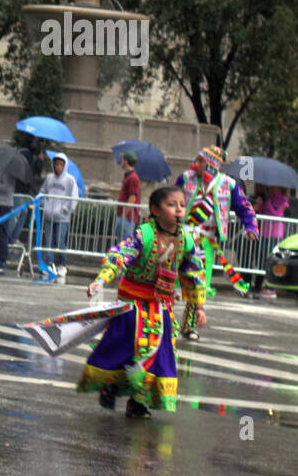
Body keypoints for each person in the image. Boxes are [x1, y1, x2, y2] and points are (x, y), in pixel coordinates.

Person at [77, 185, 206, 419]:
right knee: (124, 348)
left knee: (158, 353)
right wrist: (101, 280)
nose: (178, 210)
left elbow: (193, 274)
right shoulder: (144, 234)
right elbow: (119, 256)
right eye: (171, 204)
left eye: (181, 205)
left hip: (161, 306)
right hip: (132, 305)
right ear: (155, 210)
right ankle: (112, 385)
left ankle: (138, 402)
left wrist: (198, 306)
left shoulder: (186, 239)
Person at [176, 145, 258, 337]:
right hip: (182, 236)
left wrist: (251, 226)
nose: (195, 164)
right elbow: (169, 199)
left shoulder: (228, 184)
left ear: (211, 164)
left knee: (199, 283)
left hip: (207, 240)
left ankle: (190, 325)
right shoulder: (185, 178)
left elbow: (244, 207)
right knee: (170, 278)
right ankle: (163, 321)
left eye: (200, 161)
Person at [40, 153, 79, 282]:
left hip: (62, 218)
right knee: (49, 241)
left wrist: (65, 210)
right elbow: (42, 191)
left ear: (64, 166)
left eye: (61, 165)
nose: (58, 167)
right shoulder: (49, 178)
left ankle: (62, 264)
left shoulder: (69, 180)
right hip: (49, 215)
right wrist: (40, 202)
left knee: (60, 241)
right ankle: (50, 264)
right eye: (56, 164)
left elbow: (74, 198)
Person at [254, 185, 291, 300]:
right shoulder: (267, 198)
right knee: (263, 259)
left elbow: (278, 214)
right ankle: (260, 285)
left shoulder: (283, 200)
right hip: (265, 232)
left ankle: (271, 287)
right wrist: (260, 204)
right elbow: (261, 211)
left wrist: (268, 203)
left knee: (273, 260)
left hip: (275, 234)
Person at [116, 151, 141, 240]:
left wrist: (124, 214)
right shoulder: (129, 177)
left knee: (124, 243)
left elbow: (132, 198)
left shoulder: (132, 178)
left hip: (127, 218)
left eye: (122, 159)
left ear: (126, 161)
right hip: (125, 217)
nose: (121, 161)